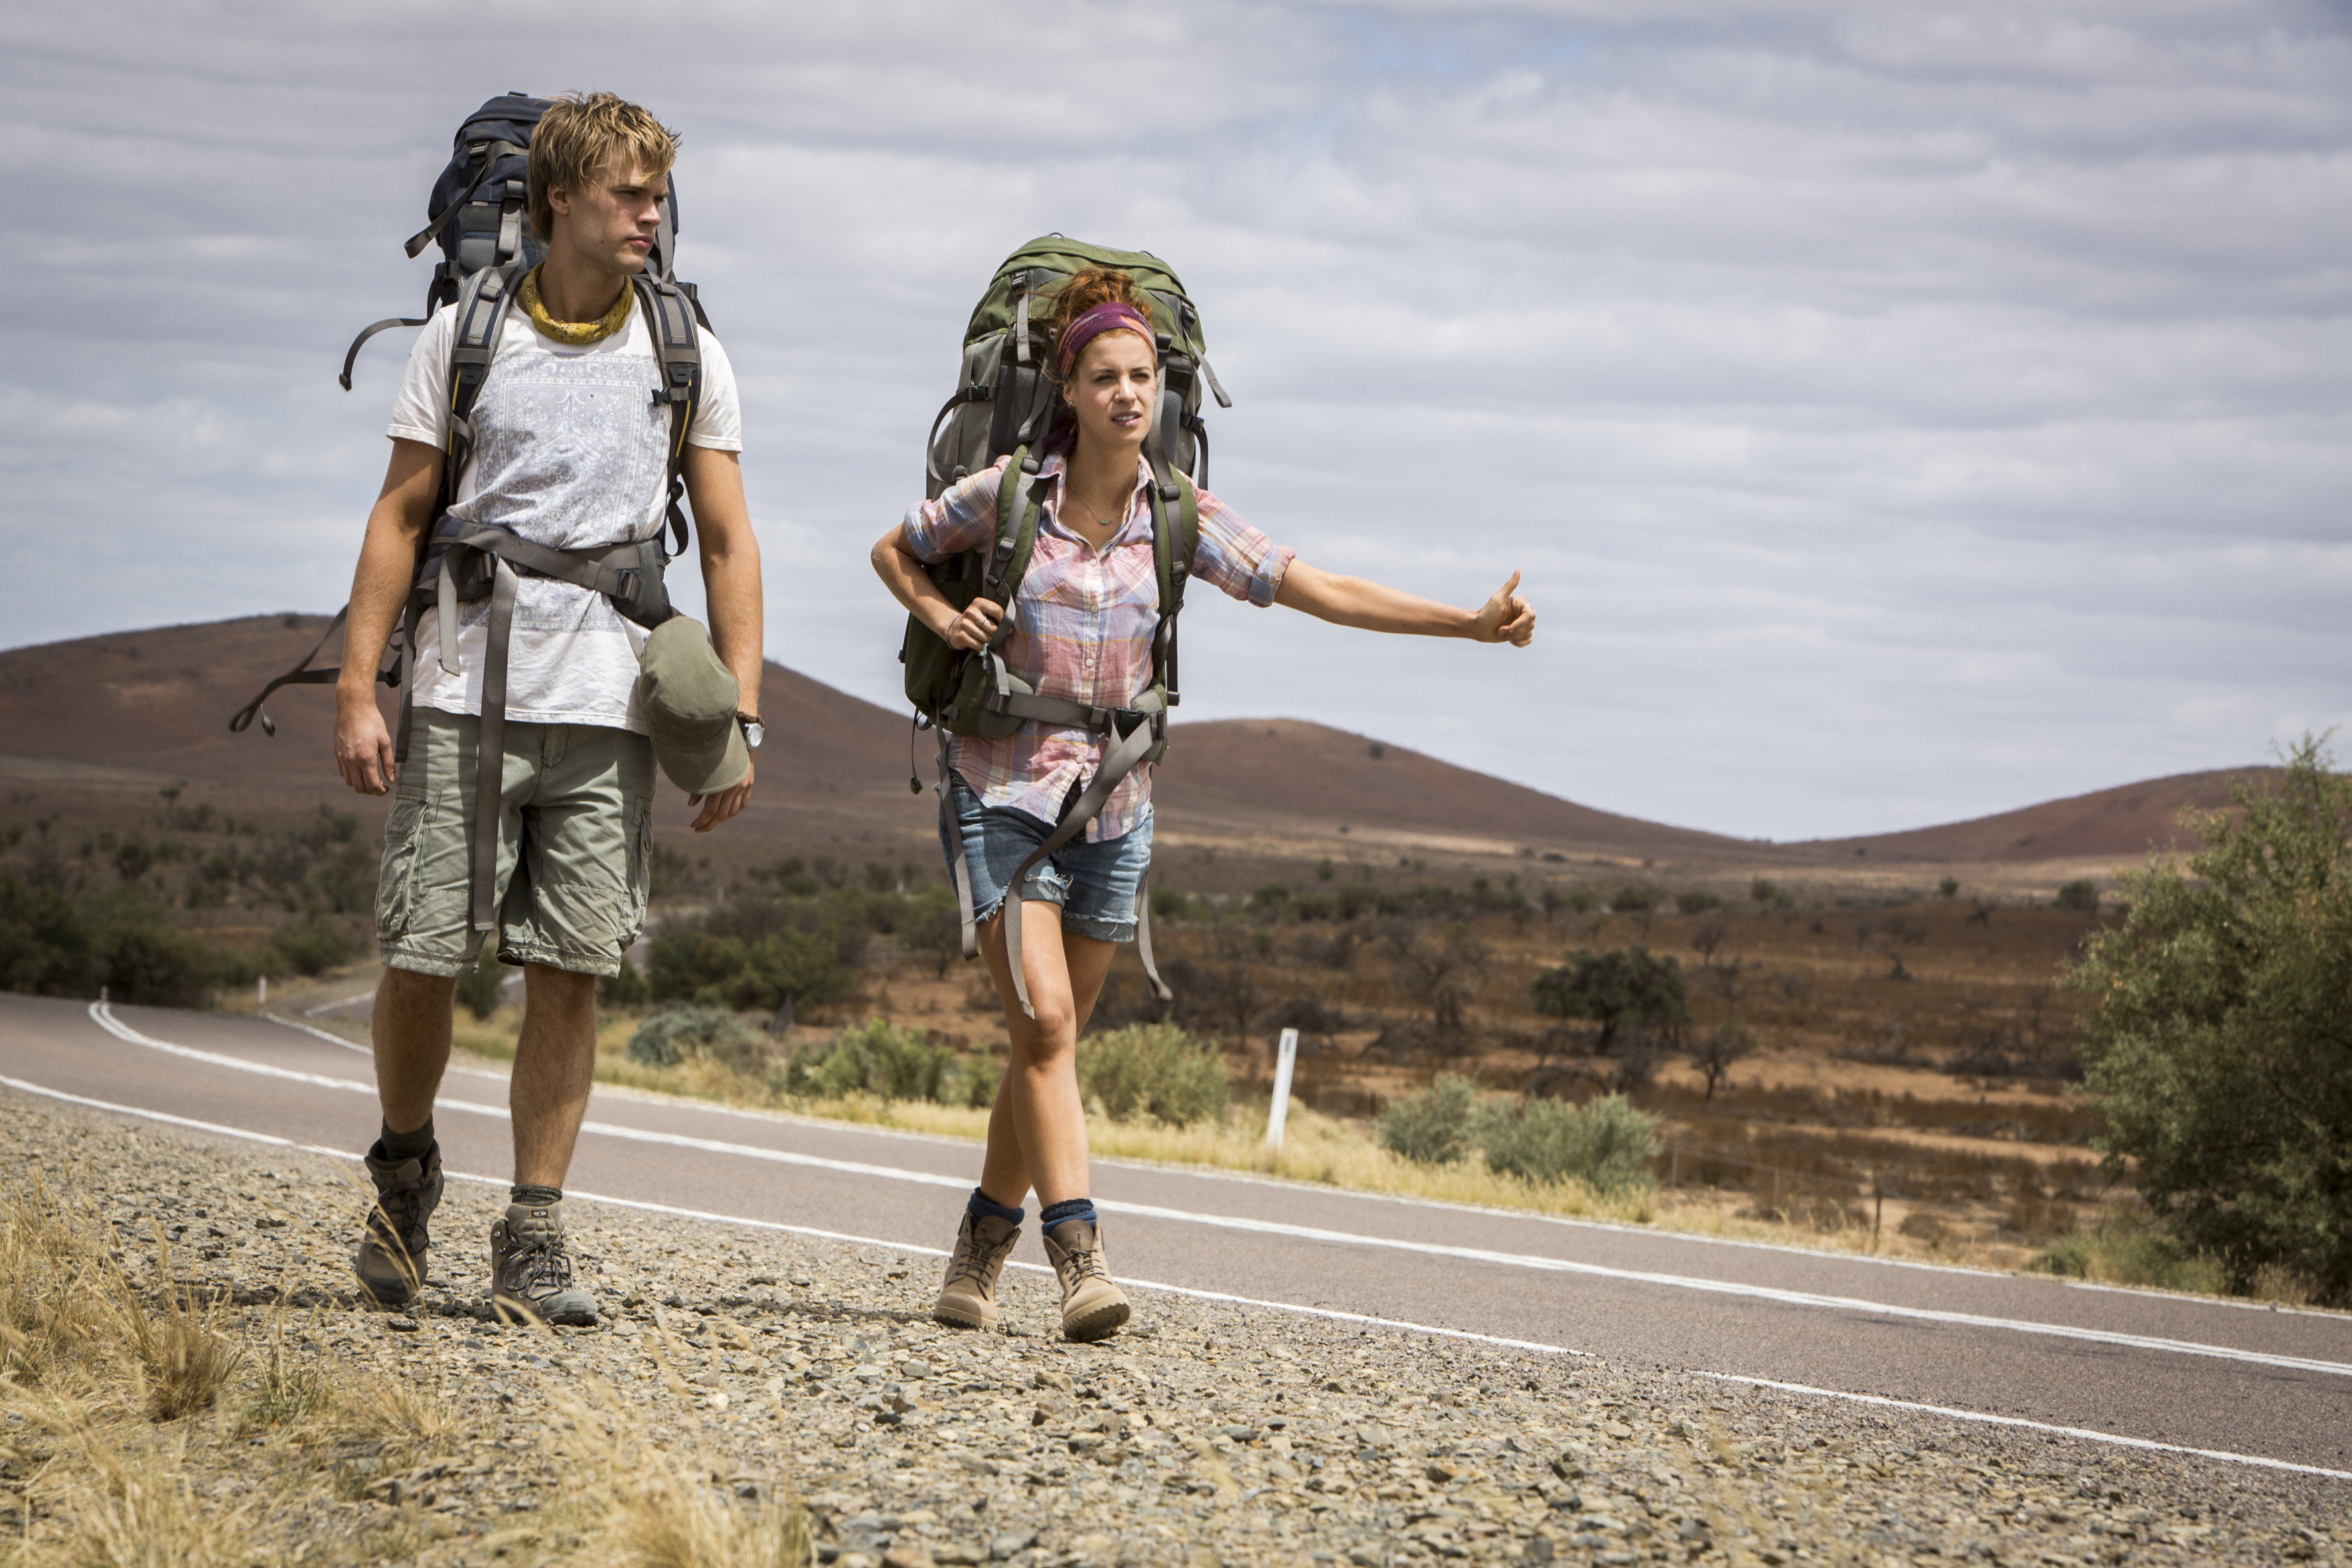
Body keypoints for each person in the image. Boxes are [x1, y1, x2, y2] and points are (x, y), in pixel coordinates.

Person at [870, 267, 1535, 1342]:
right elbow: (894, 547)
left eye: (1145, 376)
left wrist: (1464, 622)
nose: (1131, 394)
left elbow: (1314, 585)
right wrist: (940, 614)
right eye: (1107, 376)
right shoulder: (1006, 496)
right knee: (1043, 1024)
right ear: (1070, 389)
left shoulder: (1181, 513)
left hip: (1117, 806)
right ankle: (1079, 1260)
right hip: (998, 786)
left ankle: (978, 1246)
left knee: (1050, 1044)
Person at [331, 92, 763, 1324]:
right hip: (466, 687)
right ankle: (405, 1168)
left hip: (613, 705)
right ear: (560, 198)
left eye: (658, 195)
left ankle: (533, 1232)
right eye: (628, 194)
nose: (650, 215)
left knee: (570, 970)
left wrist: (746, 715)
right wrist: (362, 686)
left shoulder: (687, 349)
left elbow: (729, 541)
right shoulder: (466, 335)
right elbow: (401, 514)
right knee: (422, 957)